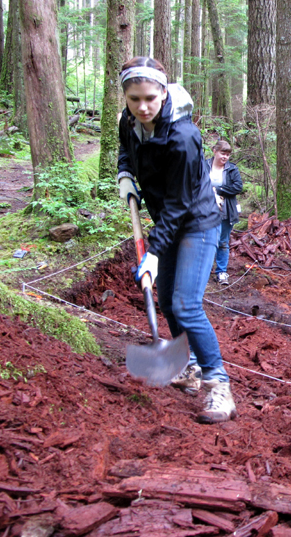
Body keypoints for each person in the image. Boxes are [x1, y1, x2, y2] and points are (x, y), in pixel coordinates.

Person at [116, 56, 235, 424]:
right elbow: (126, 151)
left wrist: (152, 252)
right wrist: (124, 173)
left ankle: (220, 386)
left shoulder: (183, 137)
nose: (143, 106)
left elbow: (180, 205)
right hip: (168, 219)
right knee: (167, 301)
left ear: (164, 93)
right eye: (134, 99)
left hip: (197, 223)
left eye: (150, 97)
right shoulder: (129, 122)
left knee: (185, 304)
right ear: (126, 98)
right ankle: (191, 367)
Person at [206, 140, 243, 285]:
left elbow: (237, 187)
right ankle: (205, 269)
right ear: (215, 151)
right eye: (223, 153)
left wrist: (219, 190)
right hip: (205, 210)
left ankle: (221, 272)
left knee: (222, 242)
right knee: (206, 240)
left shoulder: (232, 169)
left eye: (228, 154)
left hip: (226, 210)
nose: (225, 157)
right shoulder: (203, 166)